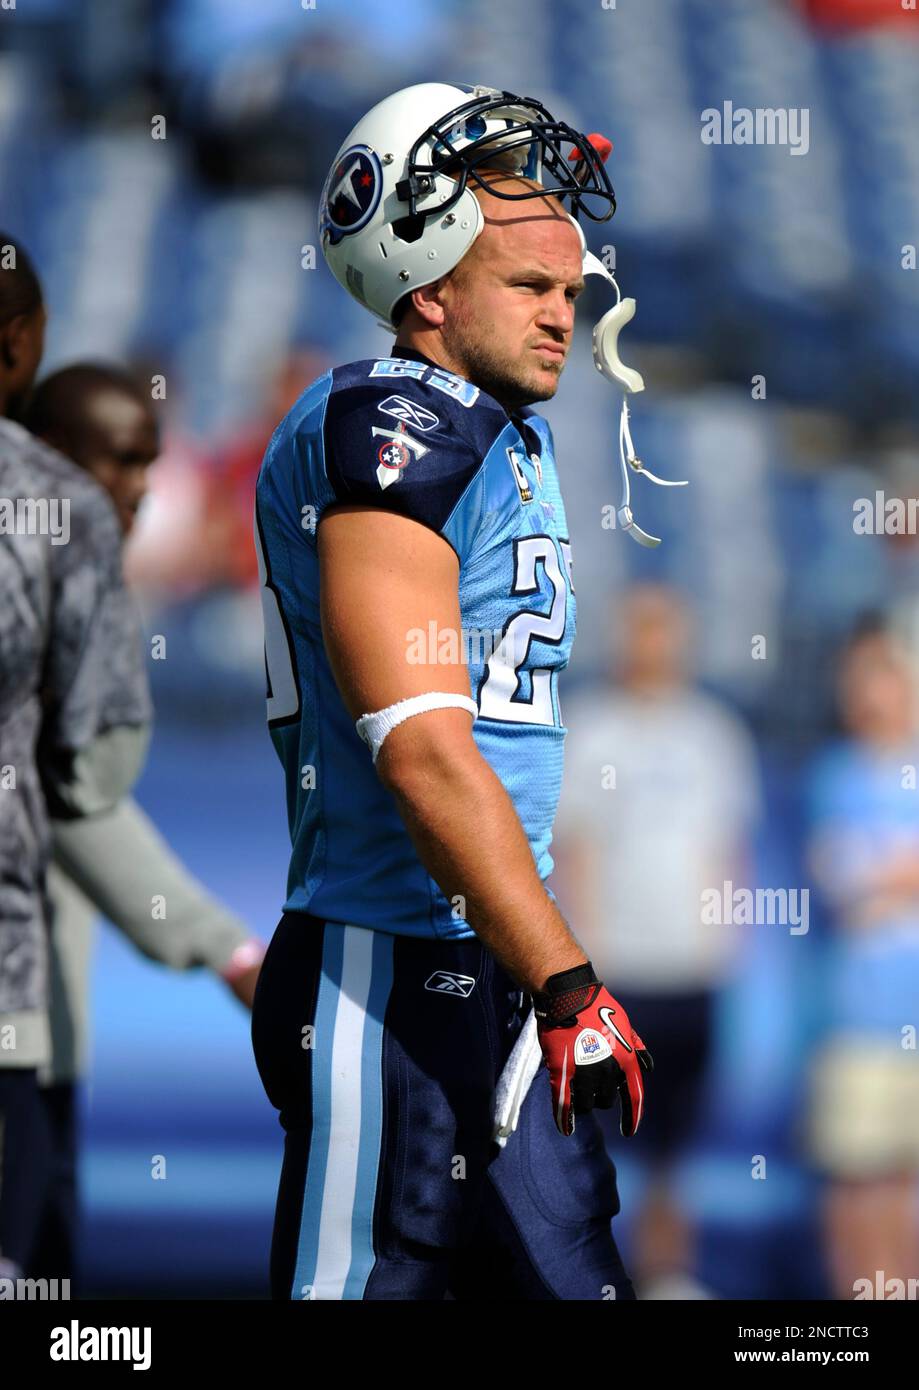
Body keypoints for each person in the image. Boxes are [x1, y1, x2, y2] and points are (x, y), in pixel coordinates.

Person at [251, 82, 654, 1301]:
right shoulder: (391, 423)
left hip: (492, 966)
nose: (562, 311)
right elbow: (421, 748)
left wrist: (538, 974)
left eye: (569, 290)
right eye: (527, 287)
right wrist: (570, 981)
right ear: (428, 288)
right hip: (387, 971)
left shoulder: (494, 432)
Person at [21, 364, 265, 1287]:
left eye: (148, 466)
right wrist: (226, 952)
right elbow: (76, 800)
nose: (138, 491)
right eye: (113, 463)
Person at [0, 238, 150, 1284]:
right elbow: (87, 775)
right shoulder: (57, 514)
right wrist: (224, 949)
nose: (137, 485)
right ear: (22, 350)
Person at [553, 583, 762, 1298]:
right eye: (639, 628)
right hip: (613, 977)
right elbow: (574, 852)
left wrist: (721, 946)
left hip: (688, 972)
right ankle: (590, 1279)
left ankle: (666, 1277)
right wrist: (583, 963)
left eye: (664, 629)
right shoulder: (591, 728)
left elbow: (725, 849)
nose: (652, 643)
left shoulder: (713, 734)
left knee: (672, 1151)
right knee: (587, 1149)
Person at [804, 616, 919, 1298]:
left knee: (905, 1188)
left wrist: (884, 873)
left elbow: (874, 874)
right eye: (857, 677)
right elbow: (841, 877)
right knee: (856, 1182)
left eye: (882, 673)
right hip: (858, 1024)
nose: (868, 692)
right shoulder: (834, 775)